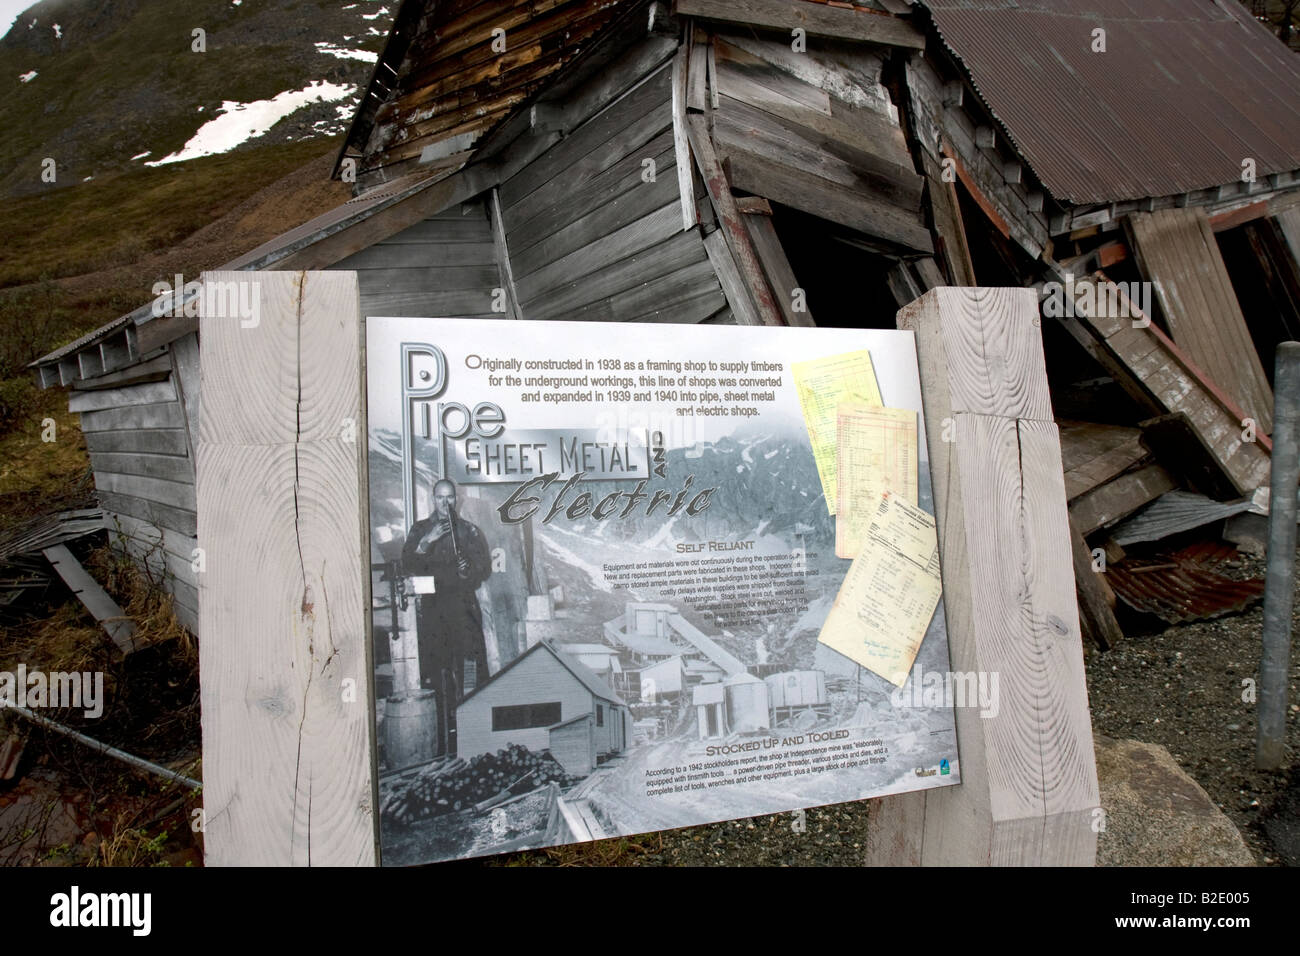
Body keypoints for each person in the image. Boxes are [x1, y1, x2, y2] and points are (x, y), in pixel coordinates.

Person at [401, 478, 493, 754]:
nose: (445, 503)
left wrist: (469, 571)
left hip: (464, 608)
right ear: (433, 499)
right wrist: (425, 544)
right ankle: (442, 742)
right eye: (440, 497)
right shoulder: (420, 529)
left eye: (450, 497)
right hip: (433, 611)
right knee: (437, 672)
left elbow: (483, 569)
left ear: (457, 500)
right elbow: (408, 564)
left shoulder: (469, 531)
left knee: (470, 668)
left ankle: (473, 737)